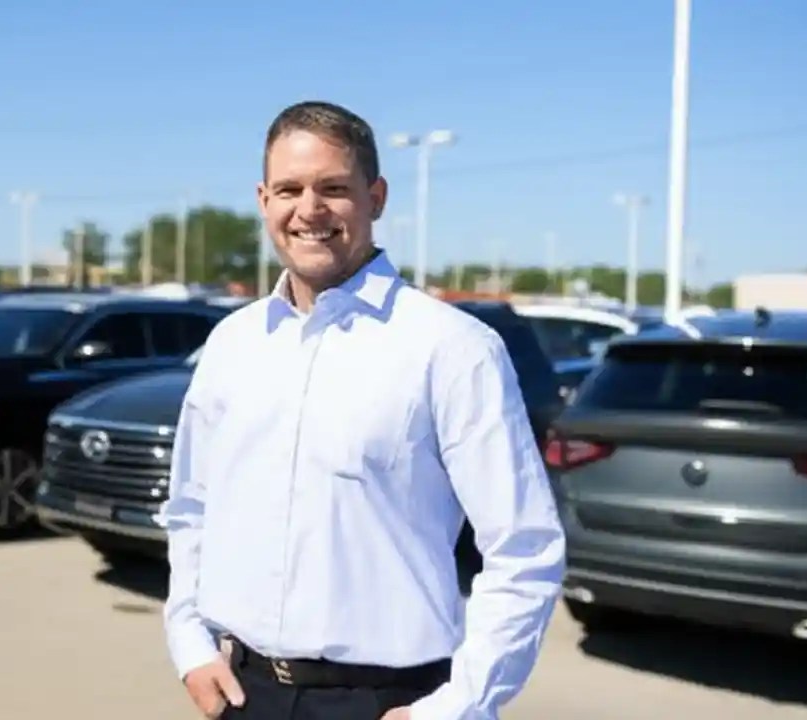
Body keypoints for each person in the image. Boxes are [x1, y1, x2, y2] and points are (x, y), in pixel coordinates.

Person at [161, 100, 566, 720]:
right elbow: (193, 508)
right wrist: (189, 643)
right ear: (263, 199)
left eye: (333, 188)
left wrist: (457, 706)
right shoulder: (233, 344)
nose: (309, 210)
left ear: (375, 197)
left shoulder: (452, 348)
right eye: (289, 189)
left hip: (387, 700)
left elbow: (525, 547)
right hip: (244, 695)